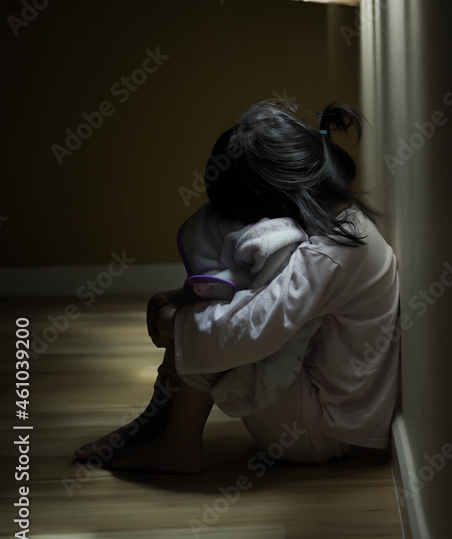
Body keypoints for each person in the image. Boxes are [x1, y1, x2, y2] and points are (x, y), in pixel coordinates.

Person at [74, 99, 400, 474]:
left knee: (214, 321)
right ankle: (156, 423)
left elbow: (249, 329)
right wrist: (181, 298)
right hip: (325, 412)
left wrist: (172, 323)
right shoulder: (338, 226)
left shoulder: (332, 255)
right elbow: (269, 293)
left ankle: (179, 446)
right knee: (208, 303)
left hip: (318, 432)